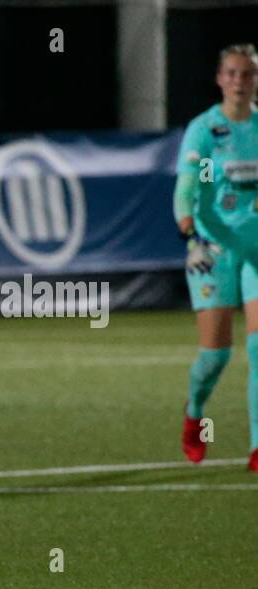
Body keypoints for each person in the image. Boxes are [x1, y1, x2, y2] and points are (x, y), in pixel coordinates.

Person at [176, 44, 258, 471]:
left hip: (257, 249)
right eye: (232, 73)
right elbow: (188, 188)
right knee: (216, 356)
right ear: (220, 79)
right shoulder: (206, 131)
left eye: (247, 74)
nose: (240, 82)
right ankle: (195, 414)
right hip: (214, 249)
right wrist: (191, 237)